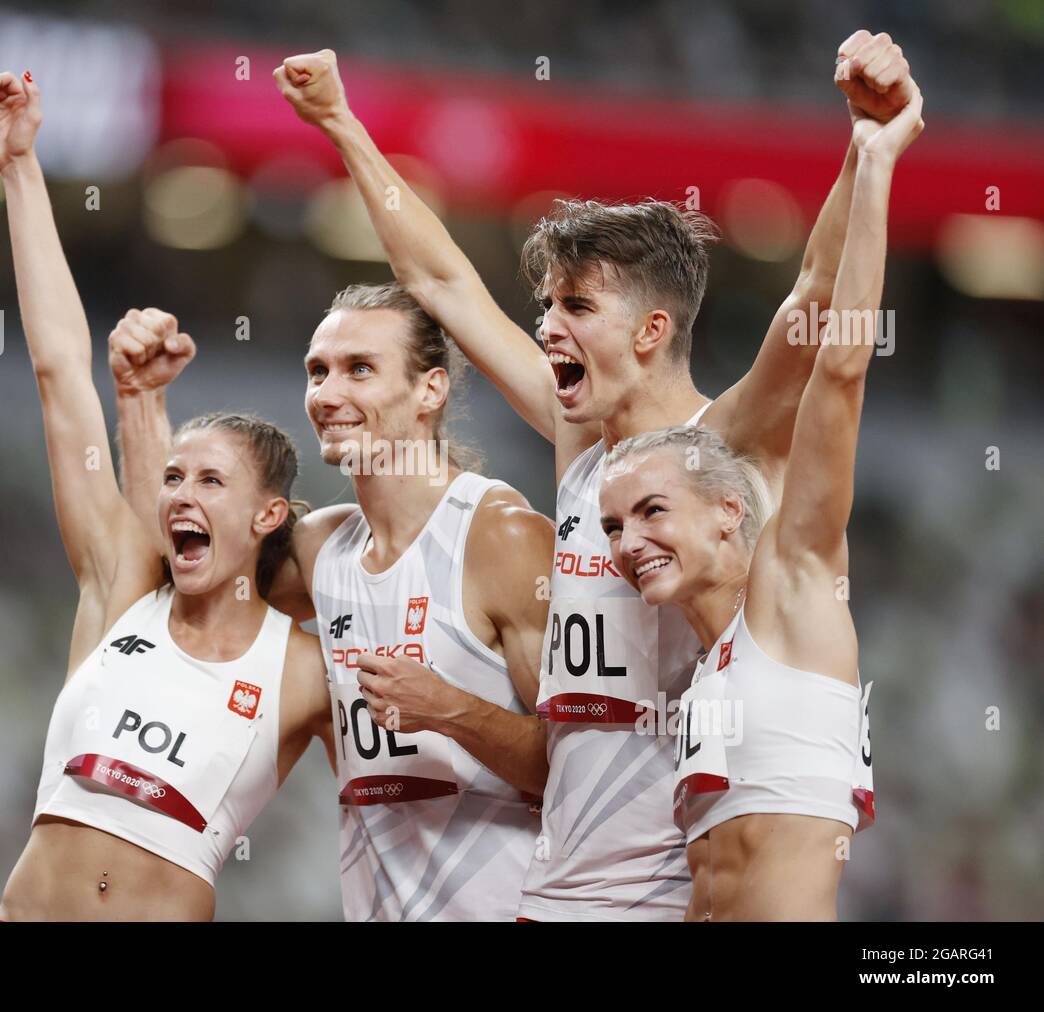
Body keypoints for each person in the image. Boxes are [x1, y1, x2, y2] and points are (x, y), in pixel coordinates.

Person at [272, 30, 914, 919]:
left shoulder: (725, 439)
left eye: (575, 305)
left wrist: (862, 140)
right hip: (556, 883)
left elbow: (811, 297)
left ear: (651, 330)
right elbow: (440, 280)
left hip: (662, 883)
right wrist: (342, 124)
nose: (545, 327)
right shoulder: (583, 453)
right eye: (544, 306)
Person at [0, 70, 332, 921]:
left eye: (210, 481)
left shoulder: (305, 668)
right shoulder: (122, 590)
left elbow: (412, 796)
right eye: (172, 478)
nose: (180, 497)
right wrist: (20, 169)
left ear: (266, 514)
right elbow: (61, 377)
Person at [117, 281, 555, 920]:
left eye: (360, 370)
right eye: (317, 371)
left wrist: (451, 710)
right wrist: (139, 398)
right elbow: (176, 561)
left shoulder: (499, 536)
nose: (327, 395)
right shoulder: (325, 549)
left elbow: (579, 766)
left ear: (430, 389)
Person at [599, 76, 922, 919]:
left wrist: (876, 161)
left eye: (652, 511)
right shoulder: (707, 670)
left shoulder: (797, 583)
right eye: (613, 525)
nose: (627, 542)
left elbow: (840, 362)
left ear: (728, 512)